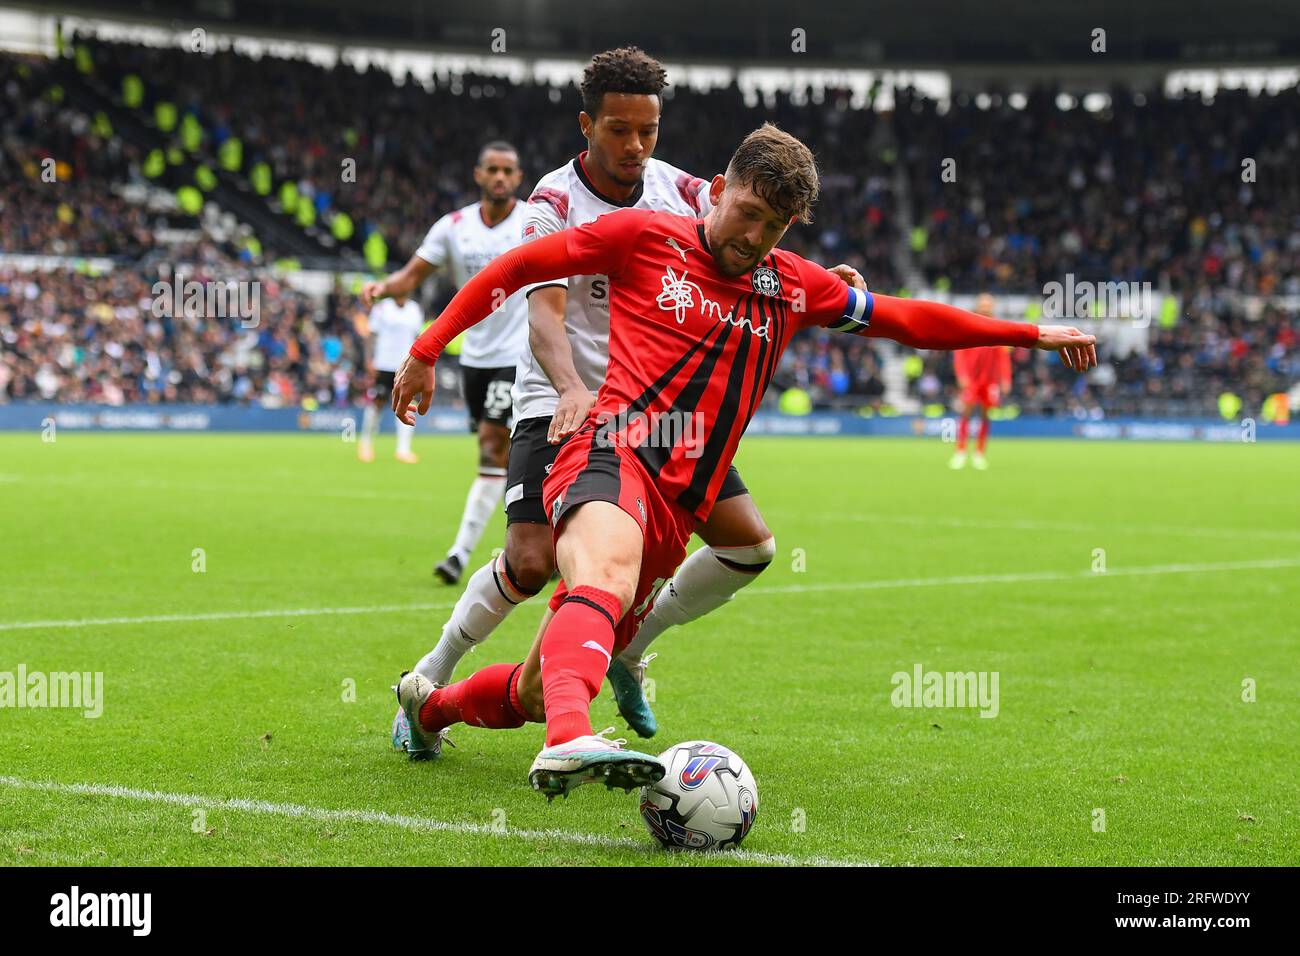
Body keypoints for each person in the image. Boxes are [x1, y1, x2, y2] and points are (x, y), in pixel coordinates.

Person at [388, 122, 1098, 798]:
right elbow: (520, 266)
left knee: (545, 686)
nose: (753, 238)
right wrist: (425, 350)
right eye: (748, 212)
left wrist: (1030, 332)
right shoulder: (645, 236)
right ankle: (571, 740)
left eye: (775, 227)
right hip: (612, 448)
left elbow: (910, 320)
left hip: (685, 491)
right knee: (599, 576)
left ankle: (431, 709)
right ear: (720, 187)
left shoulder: (792, 284)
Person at [395, 47, 865, 749]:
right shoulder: (552, 203)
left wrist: (812, 285)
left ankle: (629, 645)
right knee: (532, 560)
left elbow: (744, 243)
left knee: (750, 544)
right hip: (560, 401)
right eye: (619, 130)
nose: (635, 146)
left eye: (648, 130)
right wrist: (573, 388)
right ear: (587, 124)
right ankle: (429, 678)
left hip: (662, 411)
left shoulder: (678, 189)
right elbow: (544, 313)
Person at [361, 142, 528, 580]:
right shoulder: (454, 227)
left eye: (507, 171)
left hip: (520, 355)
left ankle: (460, 554)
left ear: (518, 177)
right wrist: (383, 288)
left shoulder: (535, 221)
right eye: (492, 169)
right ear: (478, 174)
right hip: (474, 356)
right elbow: (413, 276)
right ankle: (542, 535)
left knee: (492, 446)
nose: (499, 177)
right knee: (508, 454)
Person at [949, 293, 1012, 470]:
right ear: (978, 306)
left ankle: (979, 453)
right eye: (983, 305)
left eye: (988, 305)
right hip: (971, 381)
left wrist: (1005, 379)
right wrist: (961, 375)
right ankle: (960, 452)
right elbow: (959, 352)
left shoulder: (999, 328)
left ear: (992, 307)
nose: (985, 308)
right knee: (966, 414)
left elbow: (1003, 357)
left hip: (990, 381)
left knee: (986, 416)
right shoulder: (969, 325)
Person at [357, 291, 423, 463]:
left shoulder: (414, 309)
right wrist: (368, 359)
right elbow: (371, 335)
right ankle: (365, 444)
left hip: (405, 365)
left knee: (408, 404)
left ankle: (403, 449)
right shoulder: (382, 308)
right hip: (384, 363)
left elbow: (418, 337)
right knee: (377, 402)